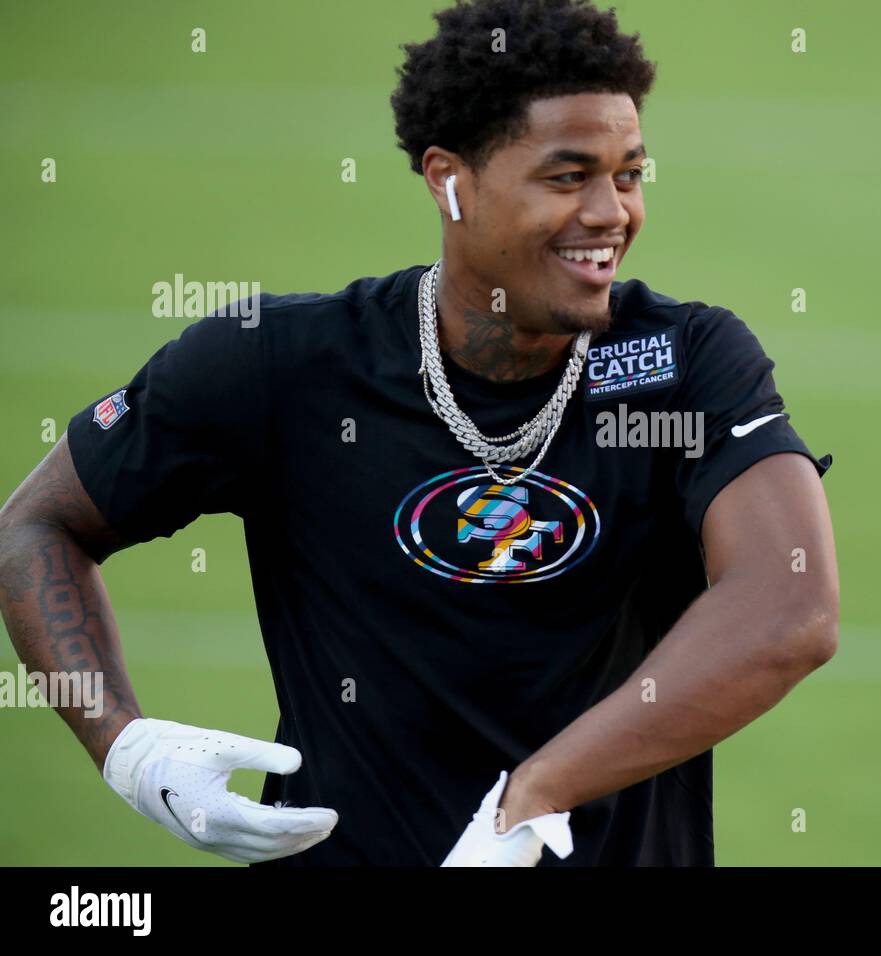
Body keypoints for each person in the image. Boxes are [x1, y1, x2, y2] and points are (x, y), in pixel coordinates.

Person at [0, 0, 838, 866]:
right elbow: (37, 525)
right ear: (449, 180)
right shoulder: (282, 365)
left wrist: (535, 796)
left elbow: (791, 607)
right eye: (567, 176)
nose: (612, 212)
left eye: (629, 173)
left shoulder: (683, 360)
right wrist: (126, 748)